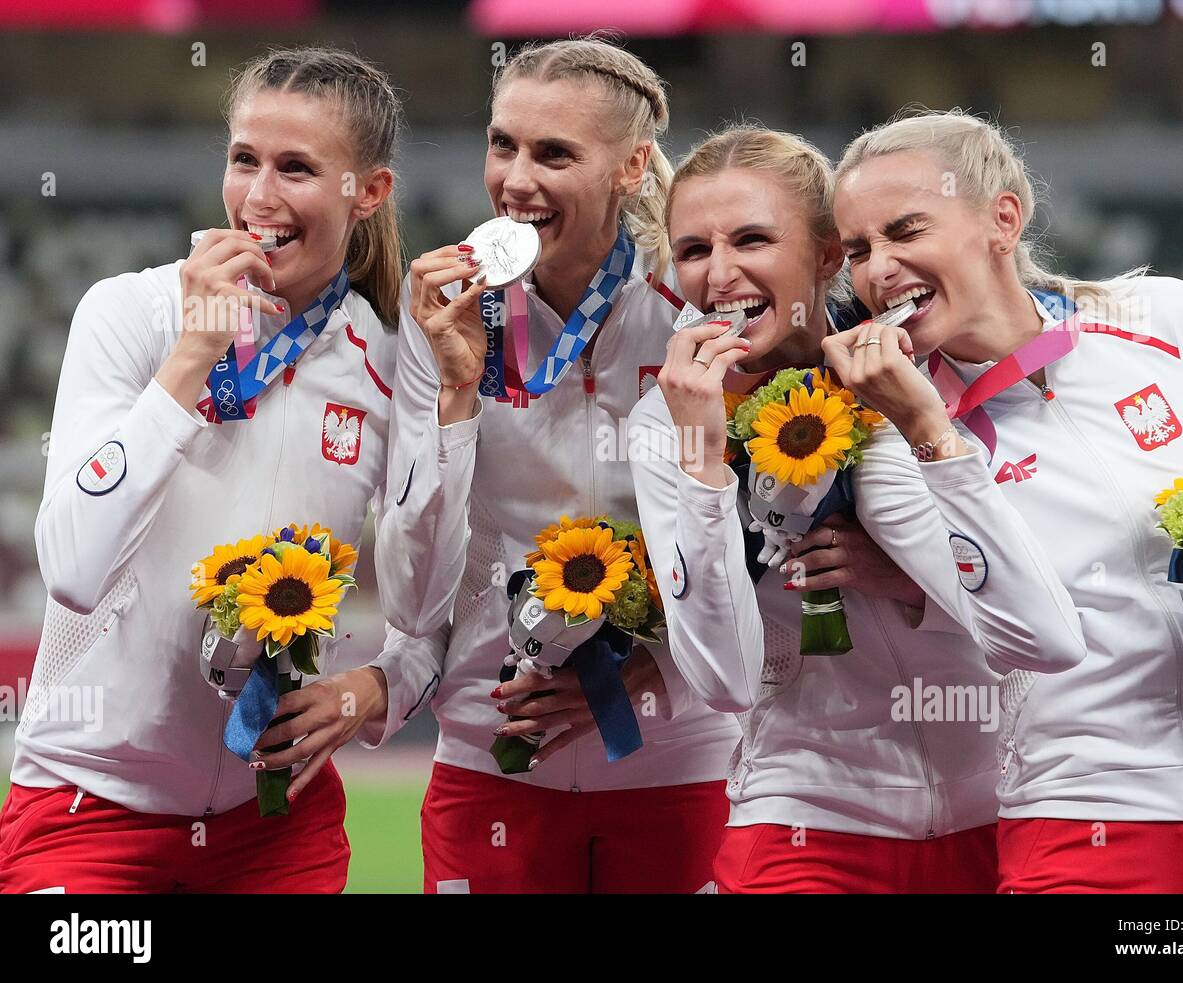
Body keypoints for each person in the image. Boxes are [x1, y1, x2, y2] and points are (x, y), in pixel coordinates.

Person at [0, 46, 440, 894]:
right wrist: (193, 354)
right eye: (244, 160)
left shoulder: (388, 363)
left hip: (274, 815)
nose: (260, 196)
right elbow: (75, 570)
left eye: (296, 168)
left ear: (369, 191)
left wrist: (376, 684)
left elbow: (435, 606)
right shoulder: (130, 314)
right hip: (88, 807)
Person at [827, 108, 1183, 893]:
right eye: (858, 250)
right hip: (1083, 821)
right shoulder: (888, 441)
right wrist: (930, 431)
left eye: (905, 231)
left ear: (1002, 219)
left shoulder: (1169, 319)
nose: (879, 269)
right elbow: (1034, 639)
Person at [627, 126, 1085, 893]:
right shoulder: (661, 423)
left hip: (994, 811)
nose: (721, 274)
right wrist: (702, 458)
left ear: (828, 255)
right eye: (695, 250)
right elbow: (724, 679)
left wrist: (910, 582)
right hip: (804, 820)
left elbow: (1036, 621)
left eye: (752, 239)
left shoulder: (914, 368)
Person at [372, 36, 740, 894]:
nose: (516, 180)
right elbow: (414, 600)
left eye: (554, 154)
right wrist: (454, 393)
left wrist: (649, 680)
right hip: (492, 755)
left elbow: (746, 546)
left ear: (630, 167)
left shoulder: (698, 306)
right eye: (502, 145)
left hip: (680, 765)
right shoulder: (446, 312)